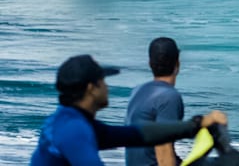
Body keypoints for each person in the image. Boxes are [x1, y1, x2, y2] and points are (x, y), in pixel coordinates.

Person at [30, 54, 226, 166]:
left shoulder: (70, 121)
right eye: (103, 81)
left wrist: (195, 125)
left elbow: (138, 134)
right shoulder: (73, 129)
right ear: (91, 88)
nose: (107, 87)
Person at [125, 37, 184, 166]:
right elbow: (163, 153)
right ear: (177, 64)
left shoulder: (137, 91)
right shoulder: (169, 97)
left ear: (150, 63)